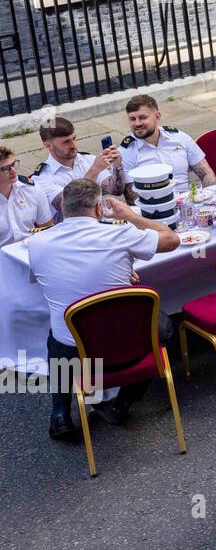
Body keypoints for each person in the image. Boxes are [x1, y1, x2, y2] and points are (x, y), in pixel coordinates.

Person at [28, 178, 181, 440]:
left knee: (56, 336)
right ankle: (123, 401)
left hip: (75, 352)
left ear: (64, 207)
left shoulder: (37, 244)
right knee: (165, 325)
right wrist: (130, 215)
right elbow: (172, 239)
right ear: (99, 208)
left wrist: (116, 268)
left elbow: (50, 278)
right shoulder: (120, 232)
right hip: (130, 345)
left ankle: (60, 414)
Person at [118, 94, 216, 194]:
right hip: (153, 207)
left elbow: (206, 173)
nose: (137, 123)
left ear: (157, 116)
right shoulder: (126, 151)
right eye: (132, 119)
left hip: (187, 202)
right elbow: (132, 195)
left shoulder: (179, 138)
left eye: (143, 117)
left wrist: (209, 196)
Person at [31, 117, 120, 211]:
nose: (74, 146)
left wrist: (117, 164)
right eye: (66, 142)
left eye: (74, 138)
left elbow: (115, 190)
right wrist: (95, 170)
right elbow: (71, 206)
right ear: (48, 146)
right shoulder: (41, 179)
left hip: (103, 220)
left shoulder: (88, 160)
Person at [0, 145, 53, 247]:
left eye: (13, 164)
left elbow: (48, 228)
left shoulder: (31, 189)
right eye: (5, 168)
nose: (13, 171)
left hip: (30, 251)